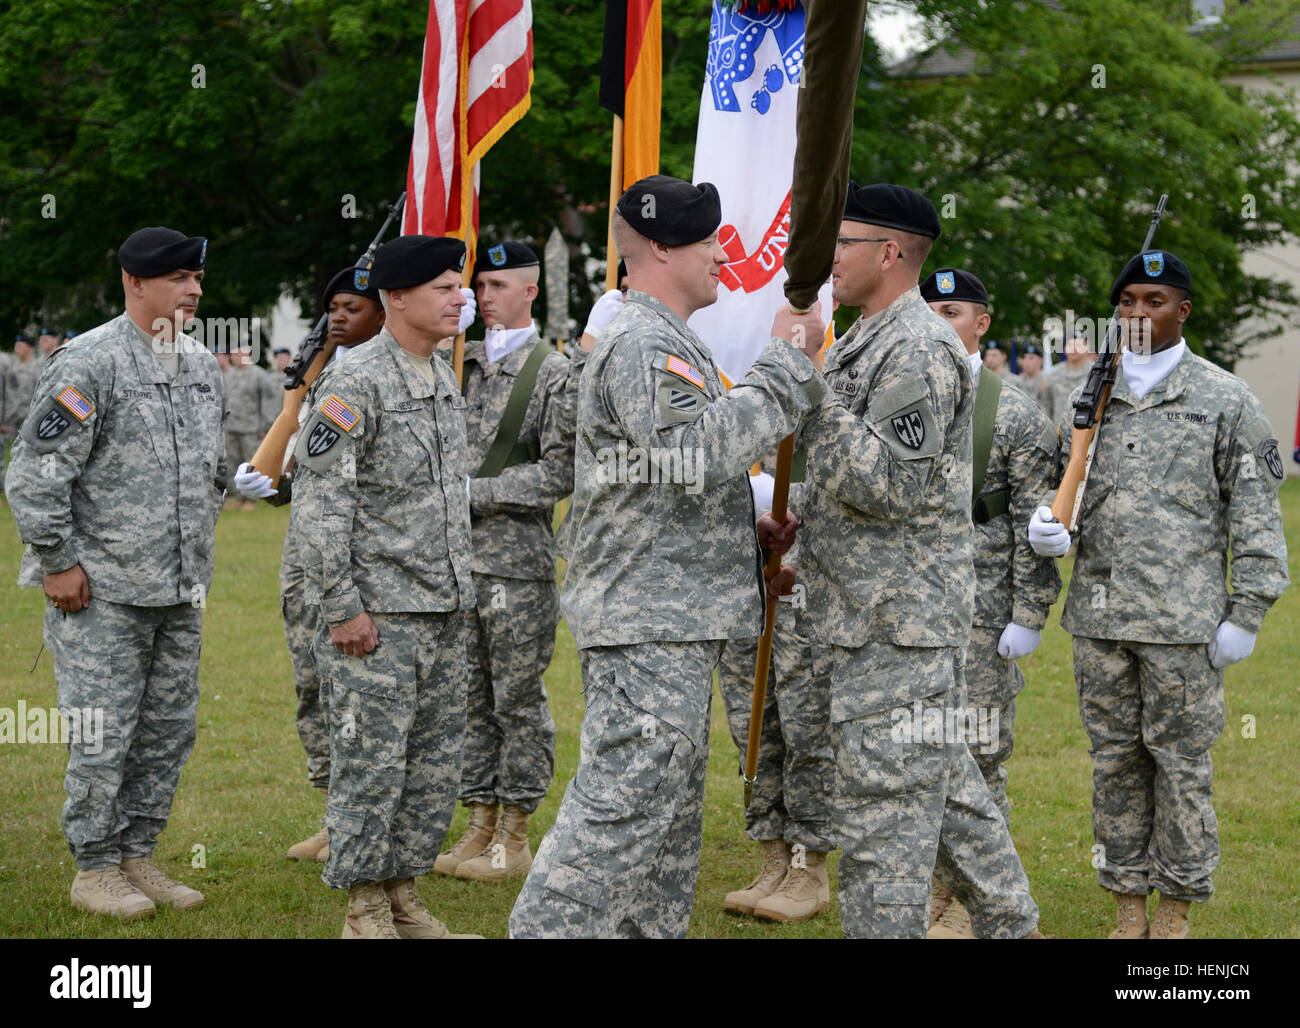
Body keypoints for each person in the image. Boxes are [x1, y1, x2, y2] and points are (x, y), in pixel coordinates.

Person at [507, 174, 826, 938]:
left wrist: (744, 525)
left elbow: (659, 479)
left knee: (663, 829)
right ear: (658, 246)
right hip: (649, 621)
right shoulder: (646, 342)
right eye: (707, 240)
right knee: (619, 816)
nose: (722, 254)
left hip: (668, 614)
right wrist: (786, 359)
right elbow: (695, 451)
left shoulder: (665, 339)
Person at [796, 182, 1041, 939]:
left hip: (897, 623)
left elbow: (887, 483)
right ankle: (1015, 926)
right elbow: (846, 481)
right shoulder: (869, 335)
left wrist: (804, 385)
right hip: (866, 613)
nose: (829, 258)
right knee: (950, 793)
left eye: (843, 244)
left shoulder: (917, 346)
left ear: (890, 252)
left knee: (882, 826)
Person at [1028, 250, 1289, 939]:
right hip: (1101, 620)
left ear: (1184, 310)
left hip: (1184, 625)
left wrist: (1249, 609)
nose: (1138, 314)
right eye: (1127, 302)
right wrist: (1049, 526)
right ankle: (1127, 909)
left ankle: (1174, 912)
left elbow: (1257, 512)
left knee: (1179, 768)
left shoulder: (1224, 398)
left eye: (1154, 301)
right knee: (1113, 765)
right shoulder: (1088, 393)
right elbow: (1060, 483)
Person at [4, 226, 225, 919]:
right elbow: (36, 475)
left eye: (196, 278)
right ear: (135, 282)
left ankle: (137, 854)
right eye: (179, 278)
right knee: (103, 731)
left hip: (179, 587)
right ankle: (95, 867)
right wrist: (58, 561)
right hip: (101, 590)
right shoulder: (89, 362)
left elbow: (204, 471)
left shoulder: (199, 364)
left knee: (167, 730)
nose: (193, 290)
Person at [291, 234, 479, 939]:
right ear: (396, 298)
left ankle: (403, 895)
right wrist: (343, 608)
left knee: (429, 769)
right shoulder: (356, 381)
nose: (460, 298)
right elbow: (319, 505)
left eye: (460, 287)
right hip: (379, 615)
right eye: (444, 288)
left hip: (442, 608)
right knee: (371, 762)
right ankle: (364, 908)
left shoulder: (439, 376)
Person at [922, 266, 1062, 937]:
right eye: (930, 311)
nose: (940, 323)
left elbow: (1036, 529)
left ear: (982, 322)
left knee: (976, 757)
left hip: (981, 618)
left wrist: (1029, 617)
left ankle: (969, 903)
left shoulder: (1015, 415)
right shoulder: (900, 398)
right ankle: (929, 891)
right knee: (914, 755)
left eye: (953, 311)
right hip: (907, 611)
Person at [432, 240, 575, 883]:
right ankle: (479, 820)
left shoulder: (552, 372)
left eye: (496, 285)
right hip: (455, 562)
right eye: (477, 286)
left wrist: (476, 493)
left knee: (515, 698)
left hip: (515, 565)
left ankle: (514, 832)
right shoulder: (454, 364)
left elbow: (562, 470)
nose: (482, 297)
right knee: (468, 698)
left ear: (529, 292)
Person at [234, 265, 388, 863]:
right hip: (305, 561)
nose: (341, 317)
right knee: (312, 685)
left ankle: (366, 818)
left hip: (360, 563)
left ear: (383, 311)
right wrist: (272, 483)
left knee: (362, 693)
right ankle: (332, 812)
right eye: (334, 308)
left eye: (355, 306)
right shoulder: (317, 376)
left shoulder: (388, 377)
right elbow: (310, 475)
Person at [716, 465, 836, 923]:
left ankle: (808, 867)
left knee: (805, 727)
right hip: (739, 571)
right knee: (752, 724)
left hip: (801, 579)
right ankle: (774, 858)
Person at [223, 343, 274, 508]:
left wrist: (265, 426)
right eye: (233, 355)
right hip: (231, 426)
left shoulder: (258, 374)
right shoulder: (228, 375)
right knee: (231, 462)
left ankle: (250, 499)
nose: (235, 358)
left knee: (251, 463)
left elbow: (268, 401)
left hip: (252, 428)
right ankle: (235, 495)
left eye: (239, 354)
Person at [1043, 333, 1092, 426]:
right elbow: (1046, 404)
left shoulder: (1096, 373)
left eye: (1078, 345)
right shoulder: (1052, 374)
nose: (1073, 349)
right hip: (1058, 431)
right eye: (1069, 345)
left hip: (1089, 432)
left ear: (1087, 348)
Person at [1013, 340, 1049, 411]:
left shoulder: (1049, 381)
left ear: (1040, 361)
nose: (1027, 362)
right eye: (1024, 358)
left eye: (1031, 358)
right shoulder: (1016, 382)